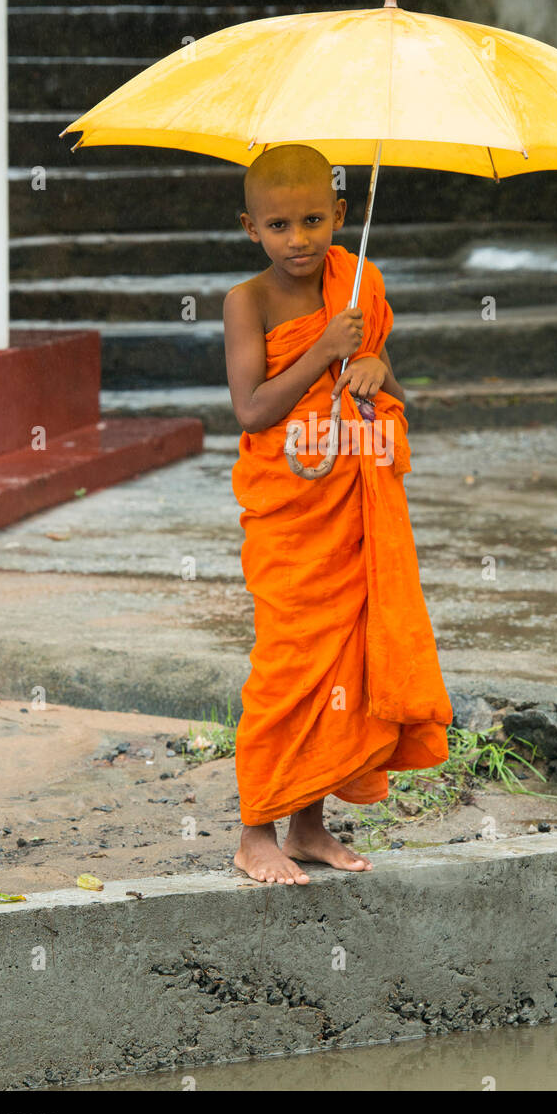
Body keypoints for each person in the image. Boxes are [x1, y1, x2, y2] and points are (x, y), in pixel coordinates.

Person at [223, 143, 453, 886]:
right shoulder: (246, 302)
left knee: (343, 666)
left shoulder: (361, 283)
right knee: (288, 666)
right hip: (288, 511)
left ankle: (307, 825)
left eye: (314, 220)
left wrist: (372, 365)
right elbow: (252, 408)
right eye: (279, 224)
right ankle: (254, 827)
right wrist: (323, 344)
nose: (298, 239)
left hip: (350, 502)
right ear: (250, 227)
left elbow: (384, 388)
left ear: (341, 214)